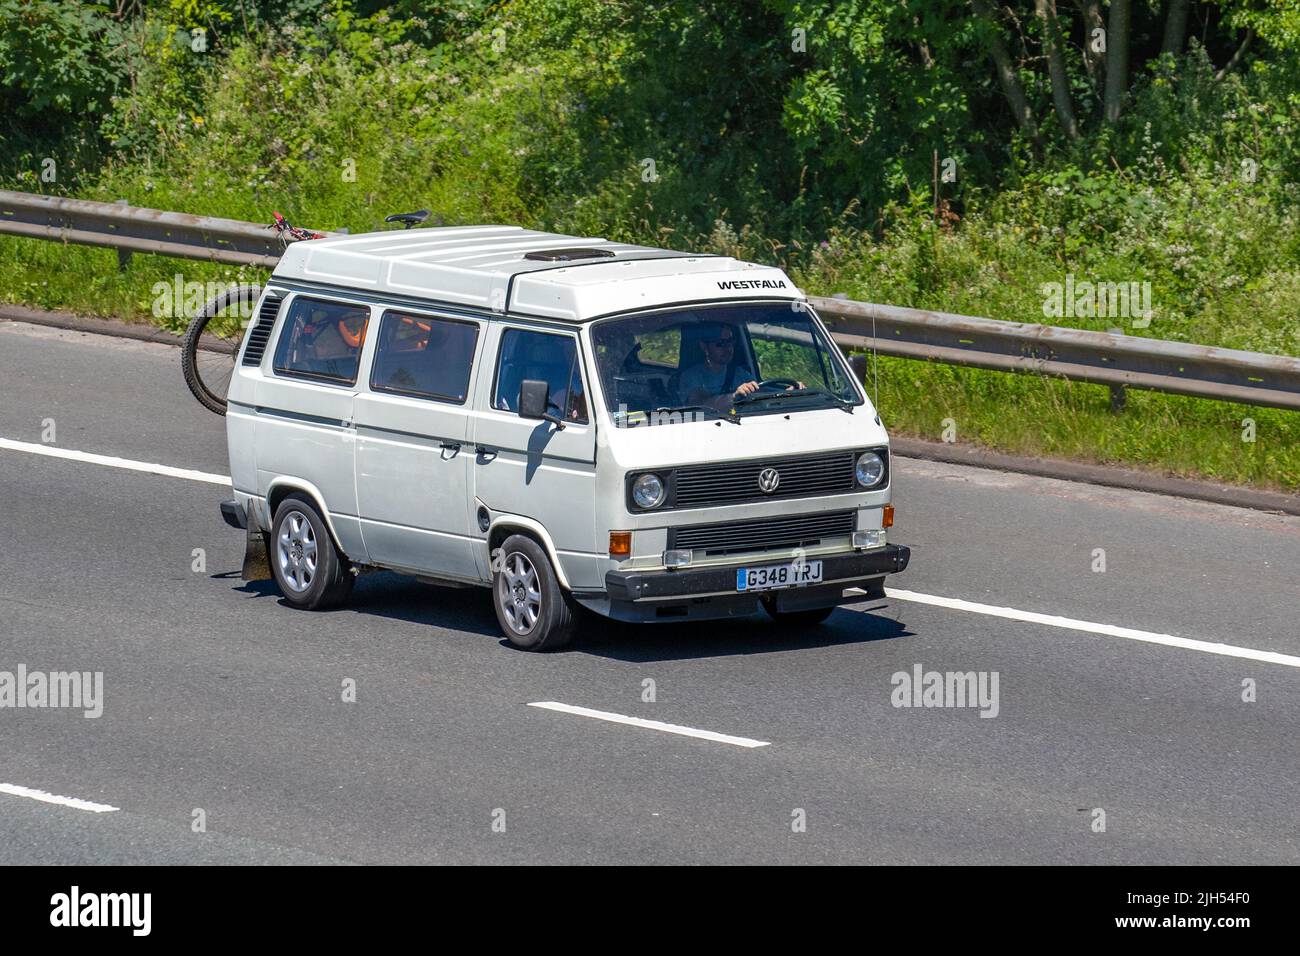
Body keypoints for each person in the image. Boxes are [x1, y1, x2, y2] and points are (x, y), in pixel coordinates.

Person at [679, 323, 760, 410]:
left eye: (730, 341)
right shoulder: (691, 376)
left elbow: (760, 394)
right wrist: (734, 397)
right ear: (704, 346)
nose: (727, 348)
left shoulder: (741, 374)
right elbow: (700, 403)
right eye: (719, 343)